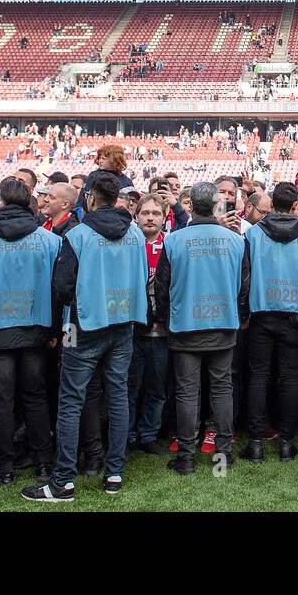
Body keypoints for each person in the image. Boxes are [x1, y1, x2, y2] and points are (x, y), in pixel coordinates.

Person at [23, 172, 147, 502]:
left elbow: (62, 288)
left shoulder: (78, 235)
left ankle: (63, 479)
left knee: (71, 400)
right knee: (117, 395)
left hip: (83, 326)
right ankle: (114, 473)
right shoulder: (135, 232)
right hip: (123, 321)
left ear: (90, 198)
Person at [153, 181, 250, 475]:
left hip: (186, 324)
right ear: (216, 205)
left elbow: (162, 286)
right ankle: (223, 452)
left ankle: (186, 456)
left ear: (190, 206)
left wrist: (165, 319)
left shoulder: (173, 240)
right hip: (222, 321)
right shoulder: (235, 240)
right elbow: (244, 285)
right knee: (222, 388)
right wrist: (242, 315)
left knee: (186, 391)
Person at [0, 178, 62, 487]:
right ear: (29, 203)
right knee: (35, 397)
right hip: (35, 326)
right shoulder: (49, 240)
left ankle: (3, 468)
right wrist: (54, 328)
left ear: (1, 203)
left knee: (1, 401)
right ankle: (41, 464)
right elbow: (57, 289)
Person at [243, 181, 298, 462]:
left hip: (262, 312)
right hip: (295, 314)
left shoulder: (254, 234)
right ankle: (286, 443)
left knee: (259, 377)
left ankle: (255, 443)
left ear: (273, 204)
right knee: (289, 378)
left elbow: (246, 276)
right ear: (293, 205)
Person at [128, 194, 169, 455]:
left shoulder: (172, 245)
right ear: (136, 216)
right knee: (130, 387)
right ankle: (127, 435)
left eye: (156, 213)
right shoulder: (129, 244)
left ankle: (149, 434)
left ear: (164, 218)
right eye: (146, 213)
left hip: (162, 332)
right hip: (132, 330)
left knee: (157, 387)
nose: (150, 217)